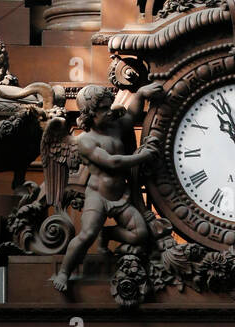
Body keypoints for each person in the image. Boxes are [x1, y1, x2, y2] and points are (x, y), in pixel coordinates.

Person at [49, 85, 158, 293]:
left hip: (121, 196)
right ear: (90, 113)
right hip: (98, 196)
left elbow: (133, 113)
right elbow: (112, 162)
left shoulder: (115, 126)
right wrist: (143, 156)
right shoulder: (85, 141)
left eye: (109, 107)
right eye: (104, 109)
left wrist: (141, 93)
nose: (110, 111)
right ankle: (64, 272)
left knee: (141, 234)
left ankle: (107, 235)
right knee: (87, 234)